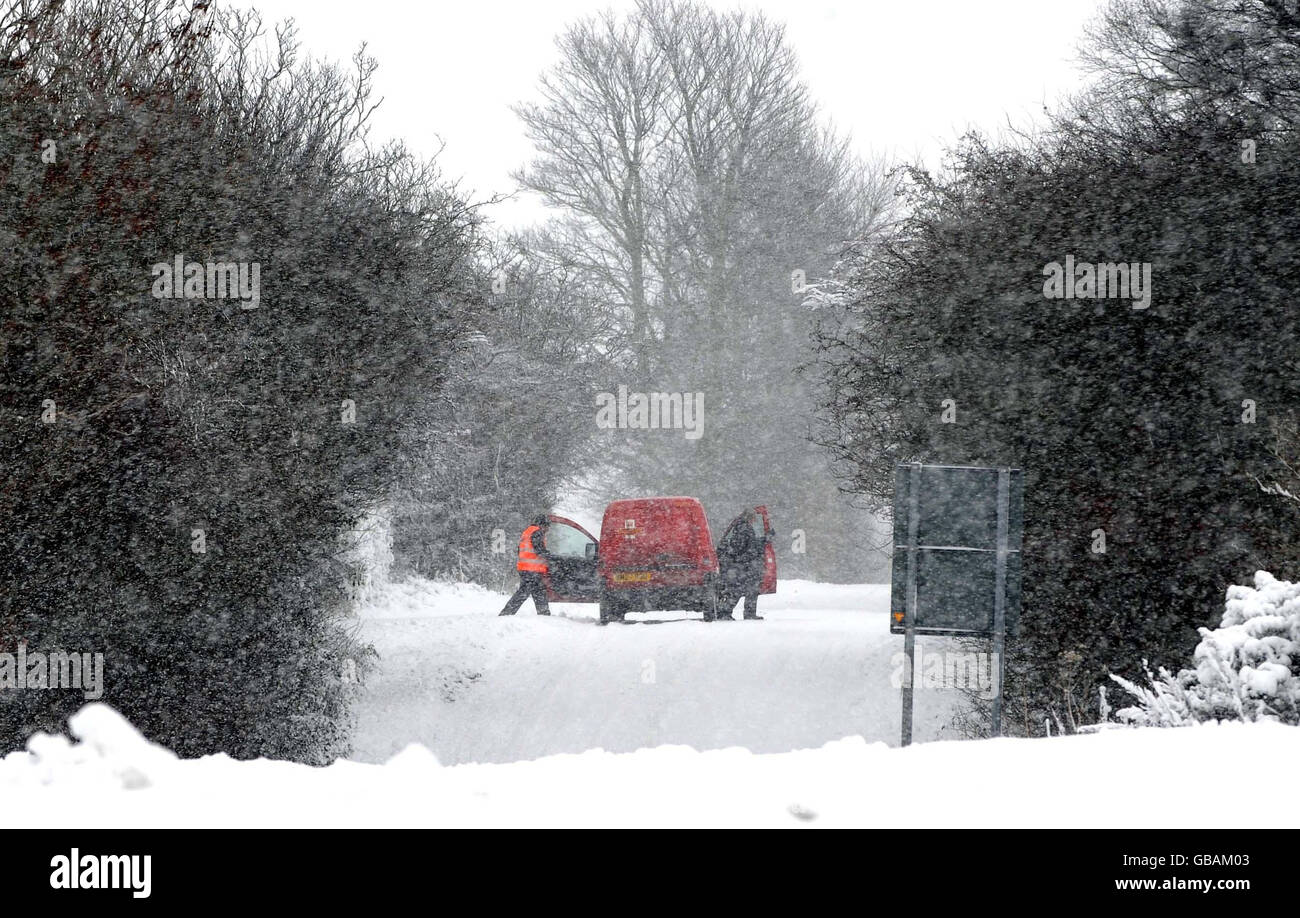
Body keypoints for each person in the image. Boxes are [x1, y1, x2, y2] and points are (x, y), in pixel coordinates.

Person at [716, 509, 765, 621]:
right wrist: (750, 554)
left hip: (741, 565)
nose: (754, 520)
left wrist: (763, 540)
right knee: (743, 590)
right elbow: (745, 547)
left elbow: (748, 544)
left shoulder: (741, 527)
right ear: (750, 518)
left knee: (742, 590)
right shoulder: (745, 529)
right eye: (753, 518)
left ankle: (727, 612)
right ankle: (728, 612)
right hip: (743, 565)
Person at [499, 515, 552, 616]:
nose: (548, 529)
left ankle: (544, 614)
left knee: (538, 592)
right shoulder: (537, 532)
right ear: (542, 524)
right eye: (547, 526)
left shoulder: (527, 532)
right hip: (532, 570)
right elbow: (539, 550)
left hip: (526, 568)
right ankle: (506, 613)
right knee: (524, 593)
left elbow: (520, 550)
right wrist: (550, 556)